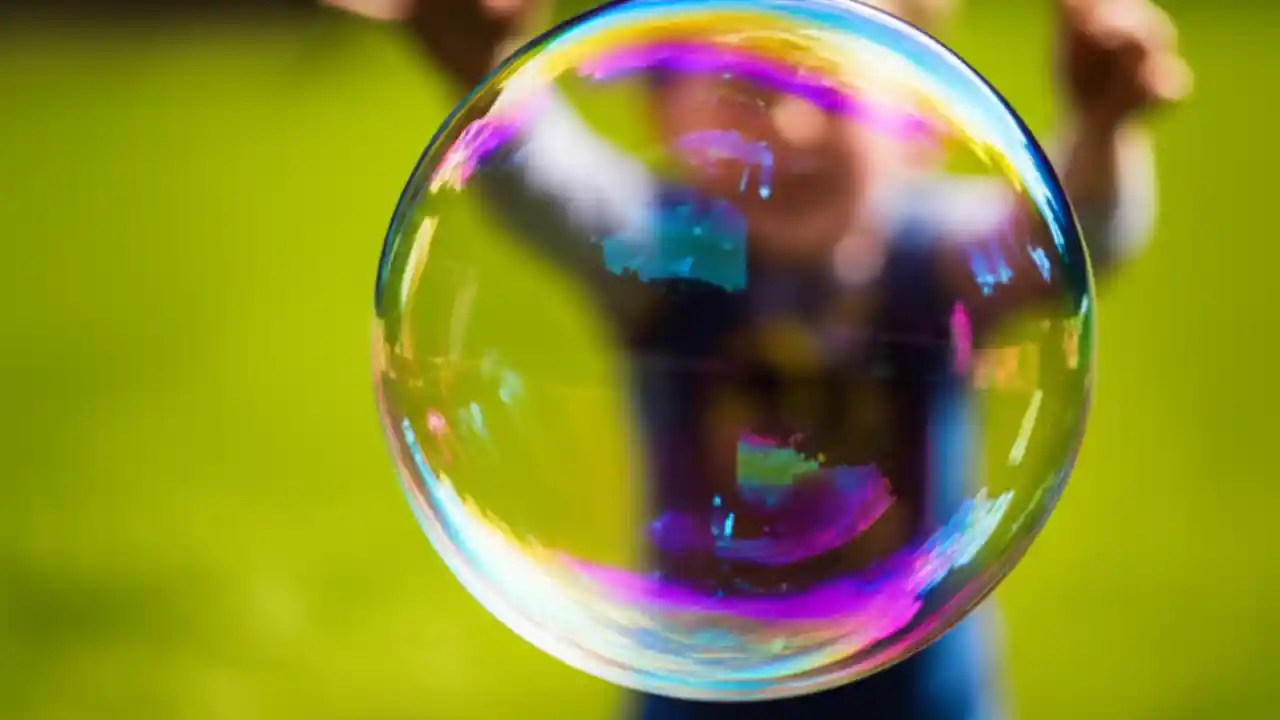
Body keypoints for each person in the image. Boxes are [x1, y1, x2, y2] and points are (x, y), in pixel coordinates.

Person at [342, 1, 1190, 718]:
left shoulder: (935, 261)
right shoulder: (667, 256)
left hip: (919, 691)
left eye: (829, 84)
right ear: (660, 113)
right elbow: (541, 182)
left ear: (919, 119)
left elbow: (1081, 237)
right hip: (696, 687)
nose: (788, 125)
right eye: (740, 87)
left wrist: (1104, 125)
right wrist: (481, 68)